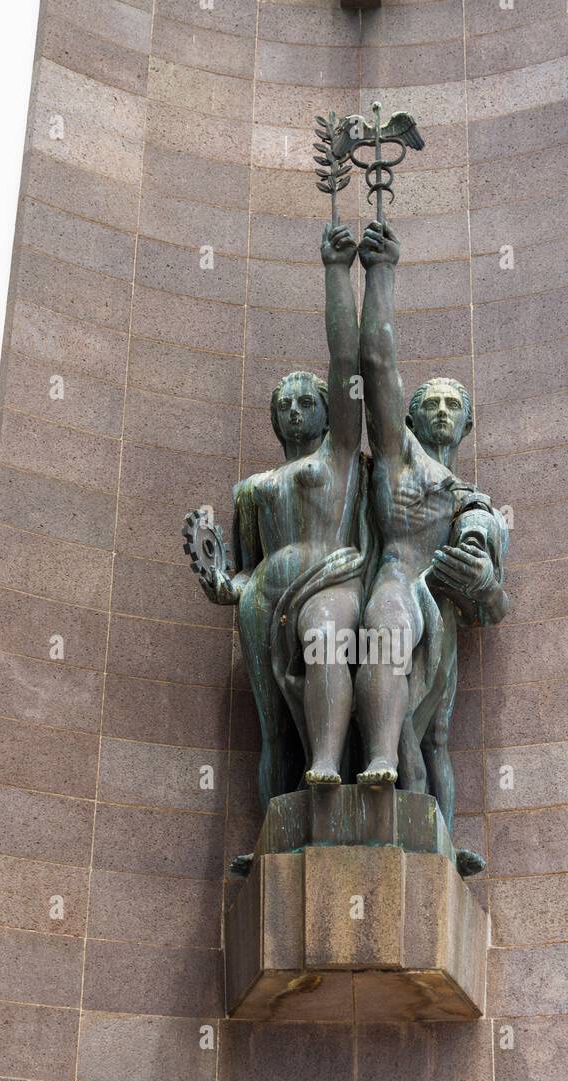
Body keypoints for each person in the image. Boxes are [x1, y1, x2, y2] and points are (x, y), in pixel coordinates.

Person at [196, 222, 368, 808]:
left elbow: (348, 359)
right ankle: (277, 824)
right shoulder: (253, 488)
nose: (295, 412)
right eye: (284, 406)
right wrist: (226, 583)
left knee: (324, 643)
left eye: (306, 402)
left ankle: (330, 769)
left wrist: (336, 273)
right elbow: (246, 566)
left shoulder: (340, 455)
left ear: (327, 413)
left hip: (329, 578)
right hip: (262, 598)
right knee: (271, 729)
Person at [356, 220, 509, 855]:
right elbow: (375, 362)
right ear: (413, 415)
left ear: (468, 423)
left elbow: (495, 605)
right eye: (432, 403)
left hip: (444, 611)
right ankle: (378, 763)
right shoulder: (399, 455)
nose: (442, 411)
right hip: (396, 579)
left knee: (438, 738)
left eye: (454, 405)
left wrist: (485, 585)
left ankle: (440, 842)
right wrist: (379, 273)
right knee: (387, 625)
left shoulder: (479, 507)